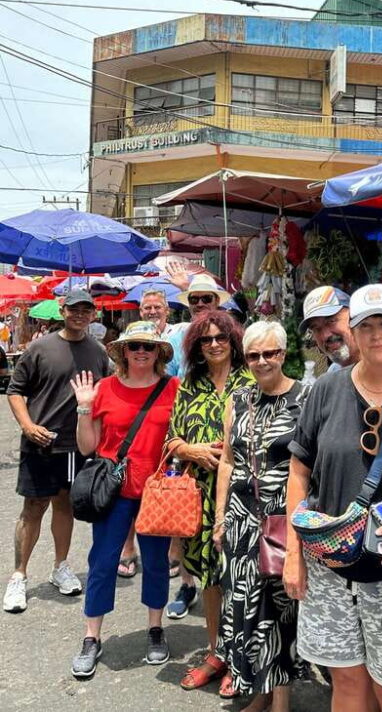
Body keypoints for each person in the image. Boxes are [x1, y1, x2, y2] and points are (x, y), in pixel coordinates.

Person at [286, 284, 382, 712]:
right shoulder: (326, 391)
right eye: (365, 326)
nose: (375, 335)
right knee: (346, 683)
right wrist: (294, 555)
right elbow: (299, 471)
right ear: (354, 329)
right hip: (328, 565)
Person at [69, 321, 179, 678]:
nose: (142, 352)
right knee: (102, 561)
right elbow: (88, 447)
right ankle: (91, 637)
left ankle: (155, 628)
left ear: (159, 352)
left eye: (149, 347)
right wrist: (84, 408)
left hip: (157, 490)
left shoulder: (173, 388)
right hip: (113, 490)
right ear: (124, 352)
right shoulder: (104, 389)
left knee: (156, 562)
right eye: (135, 347)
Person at [213, 321, 309, 712]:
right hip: (240, 522)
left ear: (284, 355)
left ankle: (281, 702)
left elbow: (308, 469)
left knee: (277, 611)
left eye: (270, 353)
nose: (262, 361)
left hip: (280, 522)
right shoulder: (237, 399)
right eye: (254, 355)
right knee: (244, 610)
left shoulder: (306, 397)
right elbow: (227, 461)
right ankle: (261, 693)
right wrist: (220, 518)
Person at [3, 290, 110, 615]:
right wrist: (27, 426)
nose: (80, 315)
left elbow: (104, 397)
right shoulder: (40, 347)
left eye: (86, 310)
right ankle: (19, 575)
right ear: (62, 311)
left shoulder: (98, 352)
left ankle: (60, 566)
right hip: (41, 442)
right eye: (74, 309)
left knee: (65, 505)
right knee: (33, 508)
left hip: (76, 445)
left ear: (93, 314)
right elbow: (15, 390)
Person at [164, 309, 253, 690]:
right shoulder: (190, 384)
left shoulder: (251, 380)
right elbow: (170, 440)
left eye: (220, 338)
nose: (214, 344)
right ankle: (216, 651)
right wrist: (193, 450)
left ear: (233, 342)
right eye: (206, 339)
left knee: (244, 578)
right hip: (198, 497)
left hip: (245, 497)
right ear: (197, 346)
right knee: (211, 579)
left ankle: (243, 657)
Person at [117, 288, 175, 580]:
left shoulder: (180, 334)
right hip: (136, 423)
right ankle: (128, 548)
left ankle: (169, 551)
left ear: (167, 309)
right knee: (128, 491)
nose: (152, 311)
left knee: (168, 496)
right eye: (147, 307)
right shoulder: (132, 336)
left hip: (167, 414)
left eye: (157, 306)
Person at [167, 274, 231, 378]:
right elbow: (166, 381)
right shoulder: (176, 339)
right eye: (194, 299)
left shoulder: (230, 335)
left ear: (217, 301)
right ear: (189, 303)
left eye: (206, 298)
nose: (200, 304)